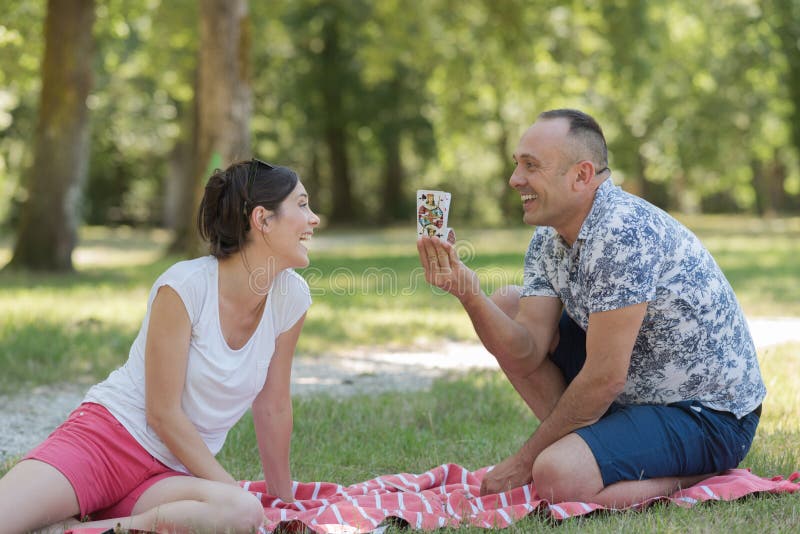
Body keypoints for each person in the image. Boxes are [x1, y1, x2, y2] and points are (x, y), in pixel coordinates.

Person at [417, 109, 766, 507]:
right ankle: (592, 451)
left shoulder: (622, 231)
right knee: (506, 304)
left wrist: (524, 462)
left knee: (554, 477)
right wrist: (468, 292)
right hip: (637, 396)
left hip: (708, 415)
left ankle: (700, 473)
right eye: (517, 165)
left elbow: (604, 377)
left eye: (531, 166)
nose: (515, 180)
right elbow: (527, 351)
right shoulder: (550, 235)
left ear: (582, 175)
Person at [0, 159, 320, 532]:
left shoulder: (291, 296)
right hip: (106, 444)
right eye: (301, 204)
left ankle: (76, 529)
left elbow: (273, 404)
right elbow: (162, 414)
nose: (313, 218)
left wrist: (283, 504)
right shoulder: (185, 287)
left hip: (171, 475)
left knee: (241, 515)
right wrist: (232, 487)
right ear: (262, 219)